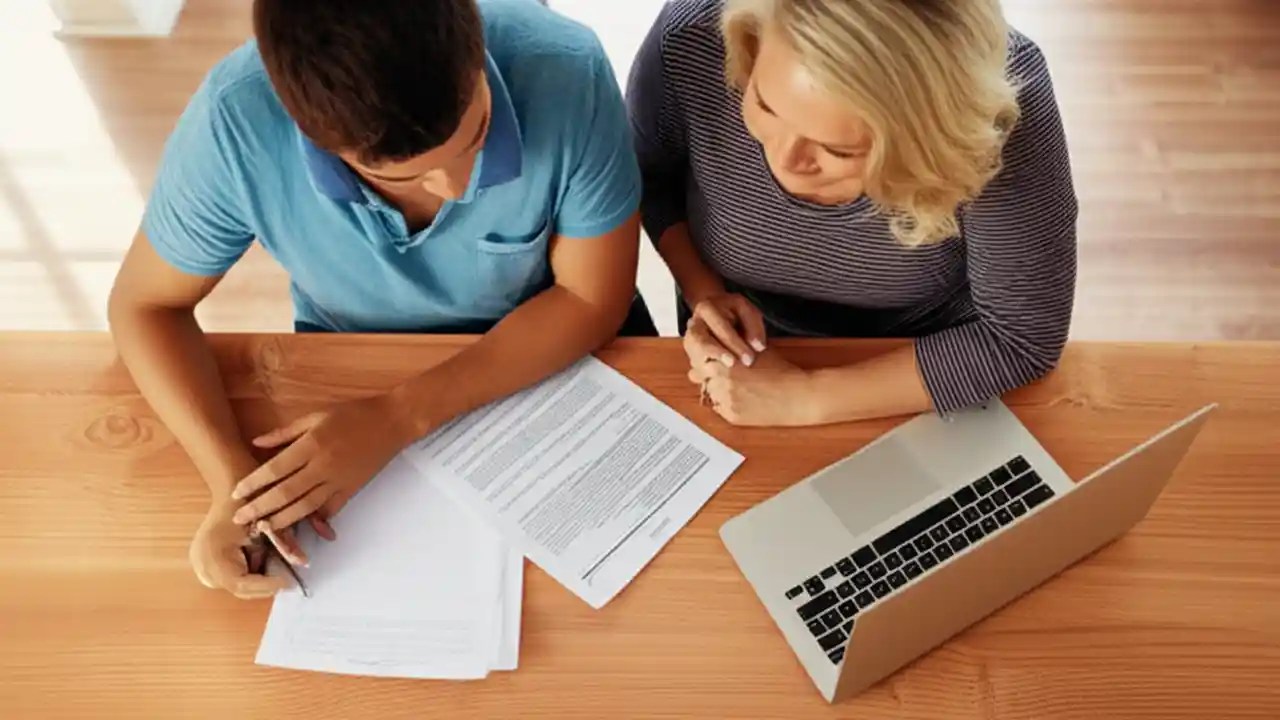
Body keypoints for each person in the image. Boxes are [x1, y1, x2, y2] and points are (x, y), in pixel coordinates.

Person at [108, 0, 648, 599]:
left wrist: (397, 417)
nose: (456, 186)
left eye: (477, 134)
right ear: (308, 131)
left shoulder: (565, 69)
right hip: (349, 369)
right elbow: (145, 306)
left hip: (544, 366)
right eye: (401, 176)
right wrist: (235, 488)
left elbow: (591, 299)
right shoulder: (237, 120)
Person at [627, 0, 1078, 427]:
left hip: (931, 365)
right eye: (764, 103)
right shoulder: (689, 39)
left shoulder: (996, 106)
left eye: (836, 149)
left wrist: (805, 398)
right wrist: (704, 292)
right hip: (743, 358)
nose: (785, 159)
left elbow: (1021, 337)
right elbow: (647, 177)